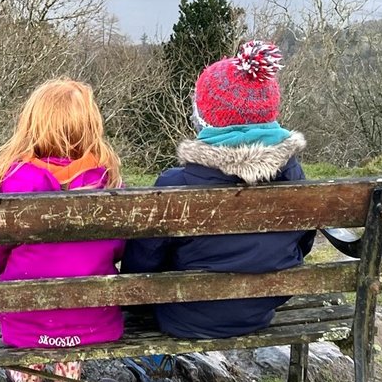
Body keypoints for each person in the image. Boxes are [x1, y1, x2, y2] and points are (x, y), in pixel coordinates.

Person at [122, 40, 314, 340]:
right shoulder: (293, 174)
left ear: (206, 116)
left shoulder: (175, 185)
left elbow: (139, 267)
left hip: (184, 314)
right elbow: (302, 246)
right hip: (259, 309)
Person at [0, 79, 124, 382]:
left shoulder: (12, 179)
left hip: (25, 316)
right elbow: (118, 250)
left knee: (36, 310)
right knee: (75, 308)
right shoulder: (108, 181)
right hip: (92, 316)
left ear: (31, 124)